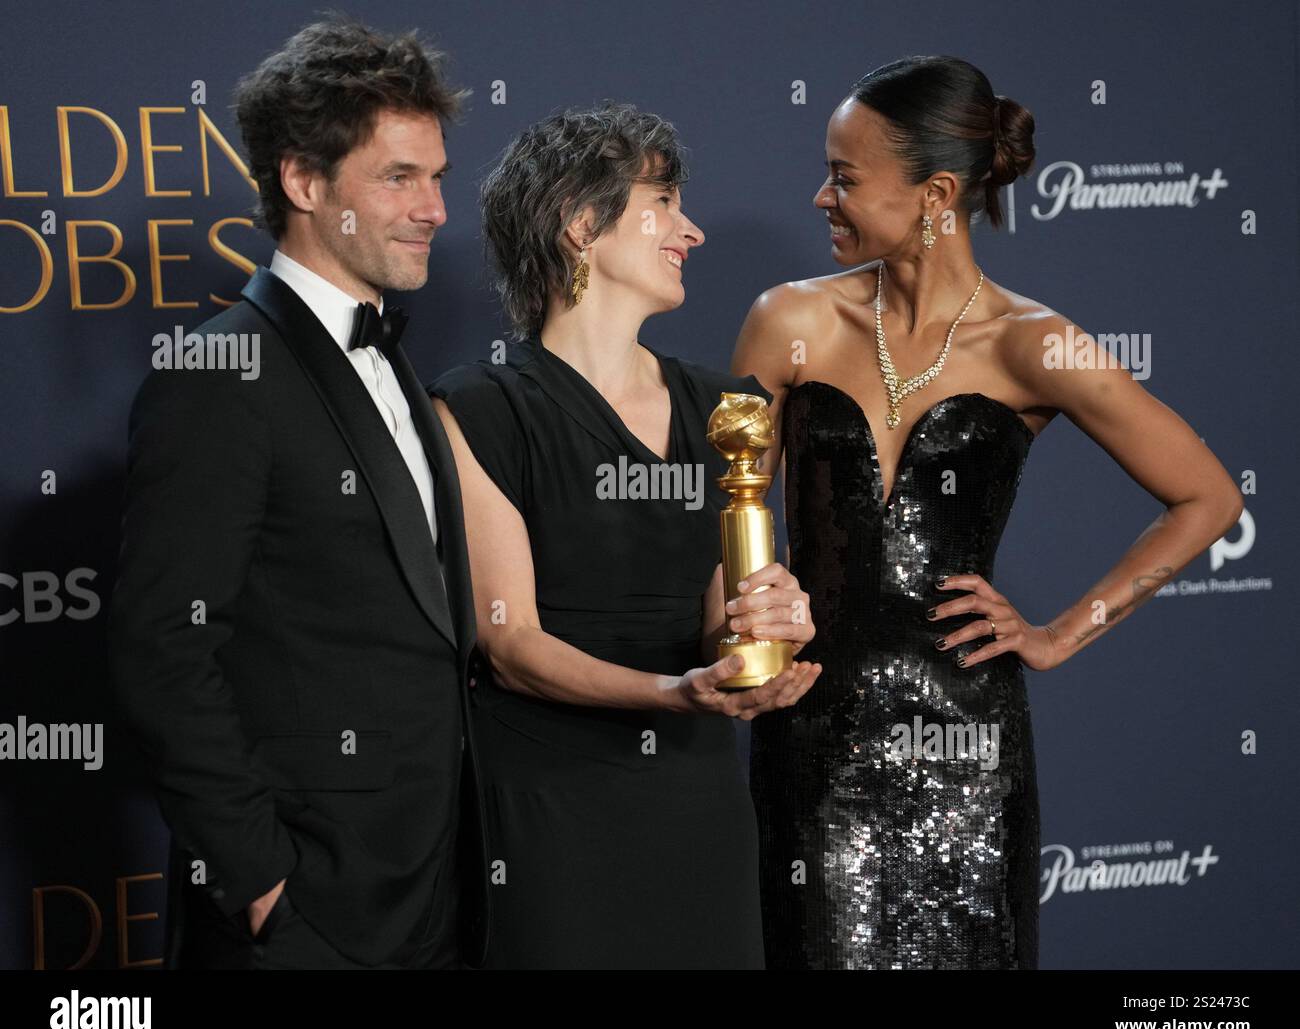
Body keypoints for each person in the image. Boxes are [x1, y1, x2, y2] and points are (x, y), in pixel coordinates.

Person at [735, 55, 1244, 969]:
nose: (822, 197)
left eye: (845, 178)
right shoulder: (786, 322)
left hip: (969, 750)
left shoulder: (1034, 344)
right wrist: (737, 647)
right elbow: (727, 527)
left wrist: (1059, 634)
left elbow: (1208, 497)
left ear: (934, 193)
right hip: (810, 728)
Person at [108, 16, 489, 969]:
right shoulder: (218, 371)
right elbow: (160, 651)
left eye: (437, 176)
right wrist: (264, 888)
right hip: (308, 912)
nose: (436, 207)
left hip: (436, 886)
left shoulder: (393, 358)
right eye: (400, 177)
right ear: (305, 183)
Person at [429, 102, 822, 969]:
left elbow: (731, 620)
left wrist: (769, 629)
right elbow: (508, 644)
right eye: (666, 203)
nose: (695, 231)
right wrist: (676, 691)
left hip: (695, 802)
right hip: (550, 809)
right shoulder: (480, 407)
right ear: (581, 224)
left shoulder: (729, 408)